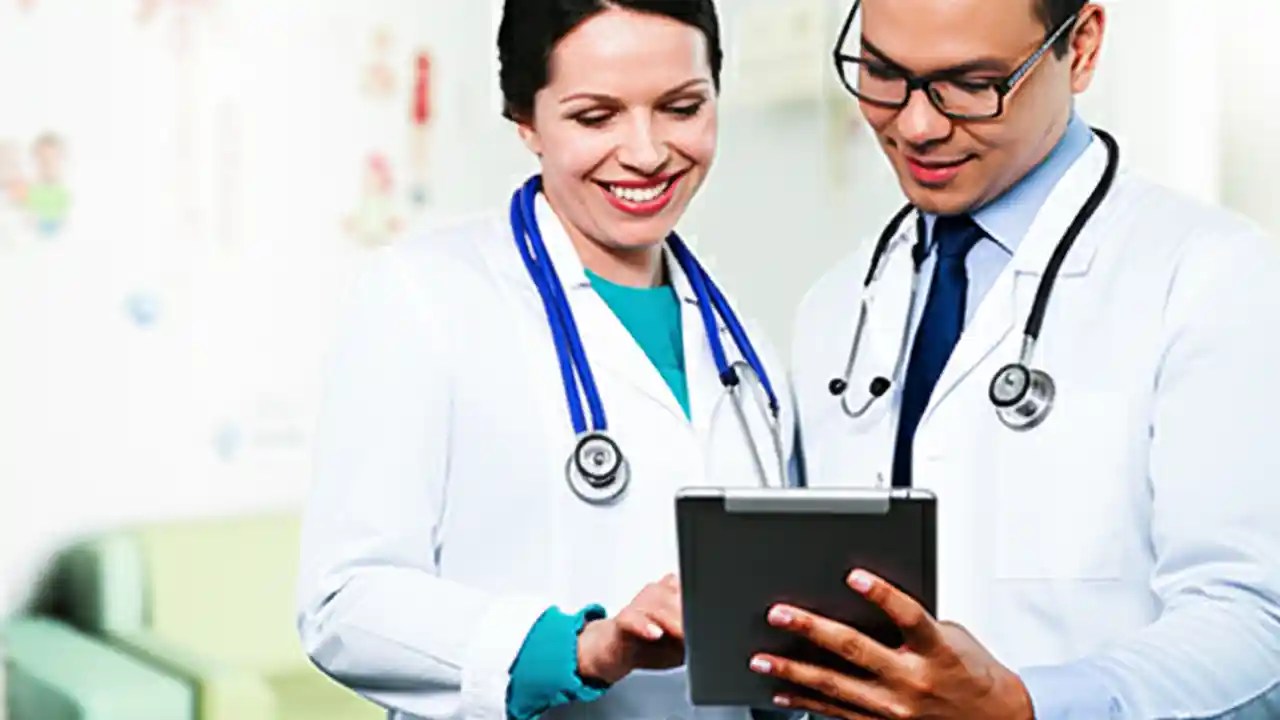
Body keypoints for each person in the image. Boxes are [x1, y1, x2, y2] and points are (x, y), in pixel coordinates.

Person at [770, 0, 1280, 718]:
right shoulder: (836, 306)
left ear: (1084, 47)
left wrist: (1022, 706)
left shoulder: (1212, 277)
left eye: (974, 85)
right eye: (883, 73)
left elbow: (1255, 625)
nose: (916, 125)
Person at [295, 2, 795, 719]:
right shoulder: (425, 296)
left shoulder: (742, 343)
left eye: (682, 107)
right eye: (597, 117)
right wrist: (582, 648)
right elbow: (345, 602)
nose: (648, 152)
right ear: (525, 119)